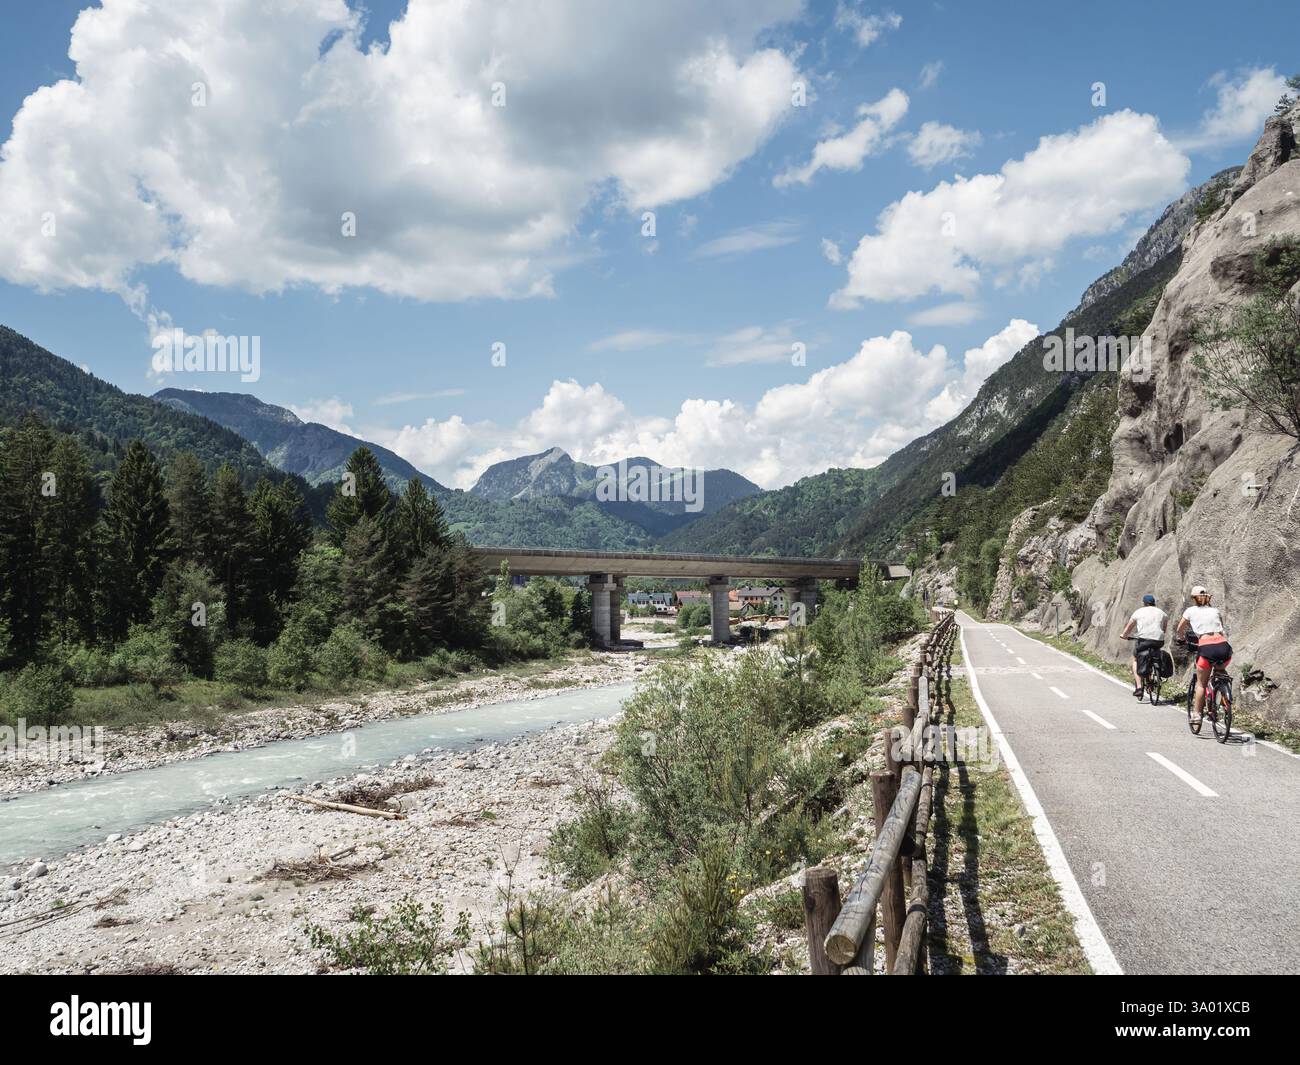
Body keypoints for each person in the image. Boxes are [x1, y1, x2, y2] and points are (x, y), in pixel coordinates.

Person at [1174, 585, 1232, 724]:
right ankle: (1224, 694)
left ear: (1194, 598)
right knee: (1220, 670)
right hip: (1224, 648)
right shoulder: (1215, 610)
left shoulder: (1190, 611)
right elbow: (1221, 629)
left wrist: (1181, 638)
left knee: (1201, 684)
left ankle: (1197, 715)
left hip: (1206, 648)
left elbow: (1180, 629)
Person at [1119, 593, 1167, 698]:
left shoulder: (1138, 612)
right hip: (1158, 641)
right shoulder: (1162, 613)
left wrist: (1123, 635)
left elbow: (1129, 627)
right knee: (1154, 653)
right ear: (1154, 603)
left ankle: (1139, 687)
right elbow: (1164, 629)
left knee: (1135, 659)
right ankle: (1154, 674)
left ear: (1144, 603)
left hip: (1144, 641)